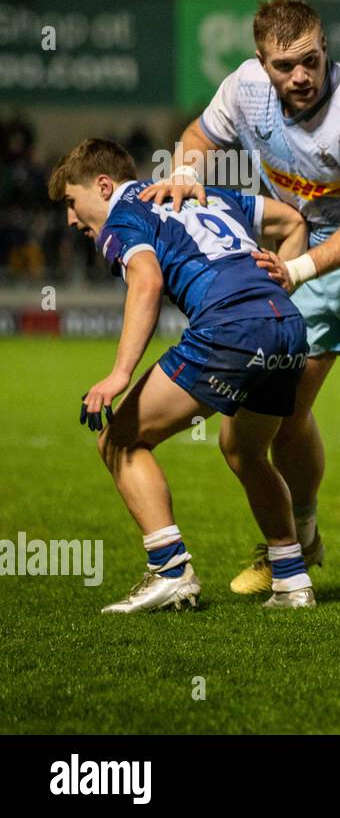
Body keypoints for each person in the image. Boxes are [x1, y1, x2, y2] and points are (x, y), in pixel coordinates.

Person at [140, 0, 340, 601]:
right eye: (284, 66)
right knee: (270, 423)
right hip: (301, 252)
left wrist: (297, 268)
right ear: (262, 62)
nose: (299, 77)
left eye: (309, 61)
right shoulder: (244, 89)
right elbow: (200, 135)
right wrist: (182, 172)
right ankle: (301, 538)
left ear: (325, 47)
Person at [52, 138, 314, 612]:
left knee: (119, 442)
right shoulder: (200, 193)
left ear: (104, 185)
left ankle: (170, 572)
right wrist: (289, 273)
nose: (71, 219)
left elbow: (147, 281)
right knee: (246, 450)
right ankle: (293, 582)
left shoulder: (124, 217)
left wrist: (119, 375)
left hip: (230, 329)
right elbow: (292, 220)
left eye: (72, 202)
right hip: (288, 327)